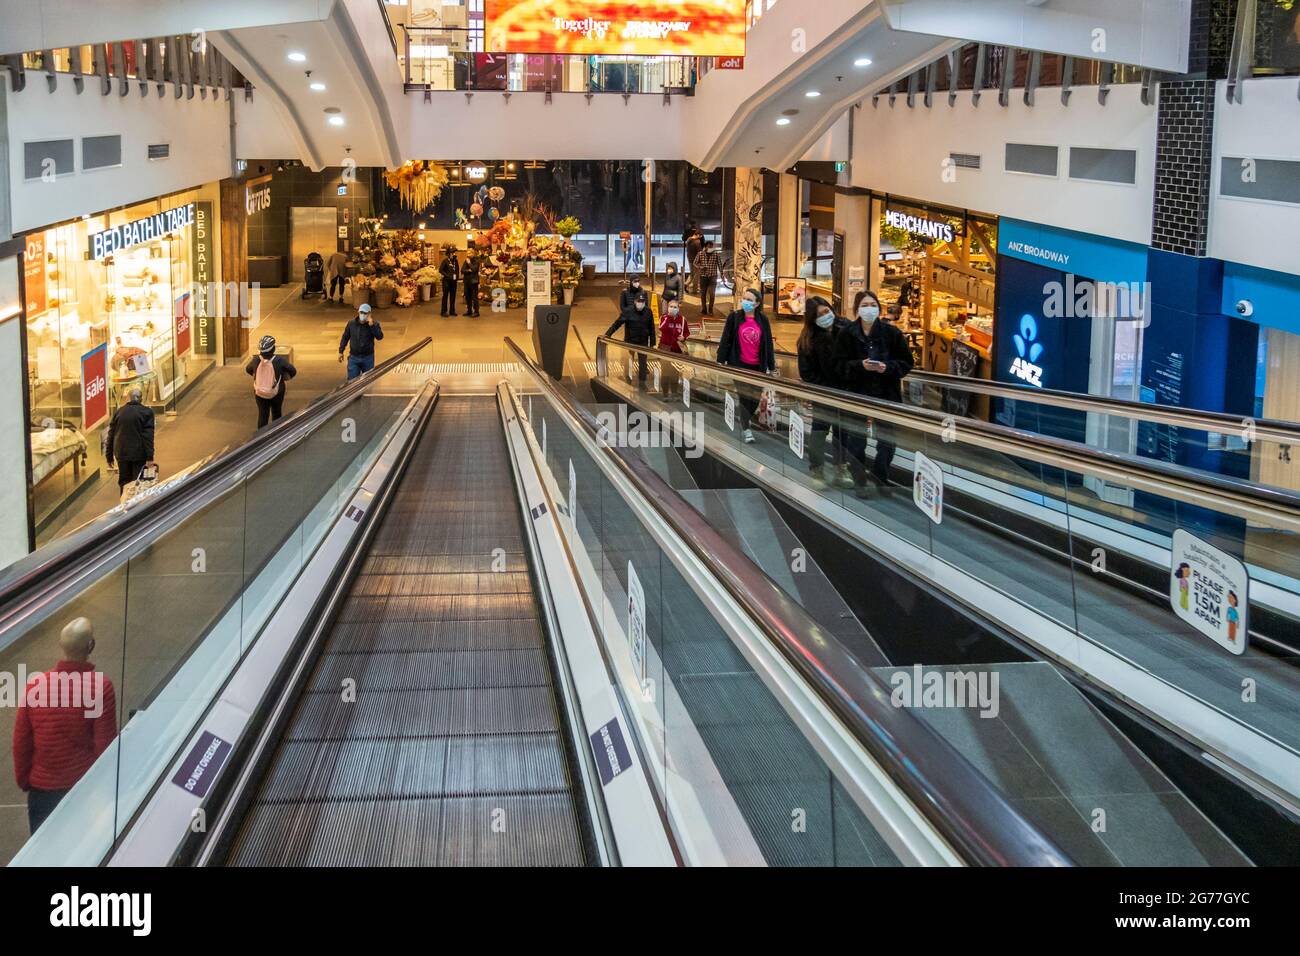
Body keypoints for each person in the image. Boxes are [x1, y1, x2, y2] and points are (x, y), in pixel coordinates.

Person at [13, 617, 118, 835]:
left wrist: (27, 781)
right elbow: (104, 746)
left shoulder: (35, 685)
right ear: (91, 646)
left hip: (42, 791)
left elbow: (21, 742)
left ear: (61, 646)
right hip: (84, 790)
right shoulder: (100, 687)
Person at [832, 289, 914, 497]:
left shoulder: (892, 334)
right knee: (856, 442)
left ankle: (880, 478)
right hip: (857, 394)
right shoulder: (847, 334)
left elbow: (907, 363)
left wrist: (888, 368)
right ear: (857, 309)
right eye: (865, 305)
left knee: (887, 442)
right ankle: (860, 480)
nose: (869, 309)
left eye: (873, 305)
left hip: (886, 394)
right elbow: (838, 365)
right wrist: (860, 365)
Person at [716, 287, 776, 443]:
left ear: (757, 304)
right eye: (744, 298)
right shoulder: (734, 317)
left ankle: (744, 418)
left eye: (750, 300)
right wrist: (720, 360)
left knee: (754, 399)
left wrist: (772, 366)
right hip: (739, 365)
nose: (745, 302)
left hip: (758, 367)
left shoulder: (763, 320)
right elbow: (726, 339)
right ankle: (746, 428)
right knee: (744, 397)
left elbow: (768, 344)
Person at [797, 296, 846, 483]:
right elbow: (806, 373)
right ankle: (817, 470)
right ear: (812, 319)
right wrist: (825, 388)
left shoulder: (846, 330)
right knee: (819, 431)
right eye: (819, 315)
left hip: (846, 394)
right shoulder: (808, 341)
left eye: (827, 311)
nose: (826, 316)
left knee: (844, 433)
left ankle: (841, 467)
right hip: (824, 395)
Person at [104, 387, 155, 493]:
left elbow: (111, 435)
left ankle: (124, 505)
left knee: (124, 482)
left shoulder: (119, 412)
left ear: (128, 398)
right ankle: (136, 506)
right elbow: (148, 437)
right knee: (137, 482)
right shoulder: (147, 413)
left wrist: (109, 456)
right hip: (138, 453)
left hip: (121, 452)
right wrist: (150, 457)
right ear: (141, 399)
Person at [246, 334, 297, 428]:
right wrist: (285, 377)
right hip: (277, 391)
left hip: (260, 392)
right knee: (276, 413)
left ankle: (261, 437)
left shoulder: (256, 359)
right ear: (273, 349)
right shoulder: (279, 360)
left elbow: (248, 369)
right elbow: (293, 370)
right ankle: (276, 435)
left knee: (262, 414)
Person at [606, 289, 656, 383]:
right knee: (628, 362)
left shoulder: (648, 312)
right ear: (634, 302)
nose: (640, 303)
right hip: (630, 342)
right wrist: (608, 334)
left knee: (642, 364)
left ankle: (642, 382)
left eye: (642, 302)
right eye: (639, 301)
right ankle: (627, 380)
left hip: (643, 342)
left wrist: (652, 343)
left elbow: (651, 327)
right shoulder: (628, 311)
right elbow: (617, 323)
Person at [339, 302, 384, 380]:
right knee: (352, 381)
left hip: (368, 358)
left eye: (365, 313)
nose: (362, 315)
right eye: (361, 312)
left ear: (369, 314)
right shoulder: (351, 324)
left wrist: (372, 326)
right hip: (354, 357)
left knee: (367, 380)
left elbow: (379, 337)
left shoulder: (374, 324)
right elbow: (345, 337)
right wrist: (341, 351)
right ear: (358, 312)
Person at [693, 239, 722, 318]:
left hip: (713, 276)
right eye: (709, 246)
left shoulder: (716, 254)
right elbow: (695, 263)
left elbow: (720, 264)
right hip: (703, 276)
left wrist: (722, 275)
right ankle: (704, 309)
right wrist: (701, 267)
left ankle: (711, 309)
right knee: (703, 294)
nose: (710, 248)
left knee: (712, 293)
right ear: (705, 247)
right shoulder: (700, 254)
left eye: (711, 246)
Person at [684, 224, 704, 294]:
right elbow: (700, 252)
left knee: (692, 274)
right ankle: (695, 290)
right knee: (697, 275)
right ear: (697, 234)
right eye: (700, 236)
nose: (700, 238)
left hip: (690, 259)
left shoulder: (688, 240)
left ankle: (685, 284)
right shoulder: (697, 242)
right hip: (696, 261)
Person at [439, 250, 459, 316]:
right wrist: (447, 275)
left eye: (454, 253)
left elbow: (457, 270)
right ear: (448, 254)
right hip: (446, 281)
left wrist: (457, 278)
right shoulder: (445, 261)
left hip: (454, 282)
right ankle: (443, 311)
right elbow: (440, 270)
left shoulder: (455, 261)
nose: (453, 254)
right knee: (445, 296)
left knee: (453, 296)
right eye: (452, 253)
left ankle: (452, 311)